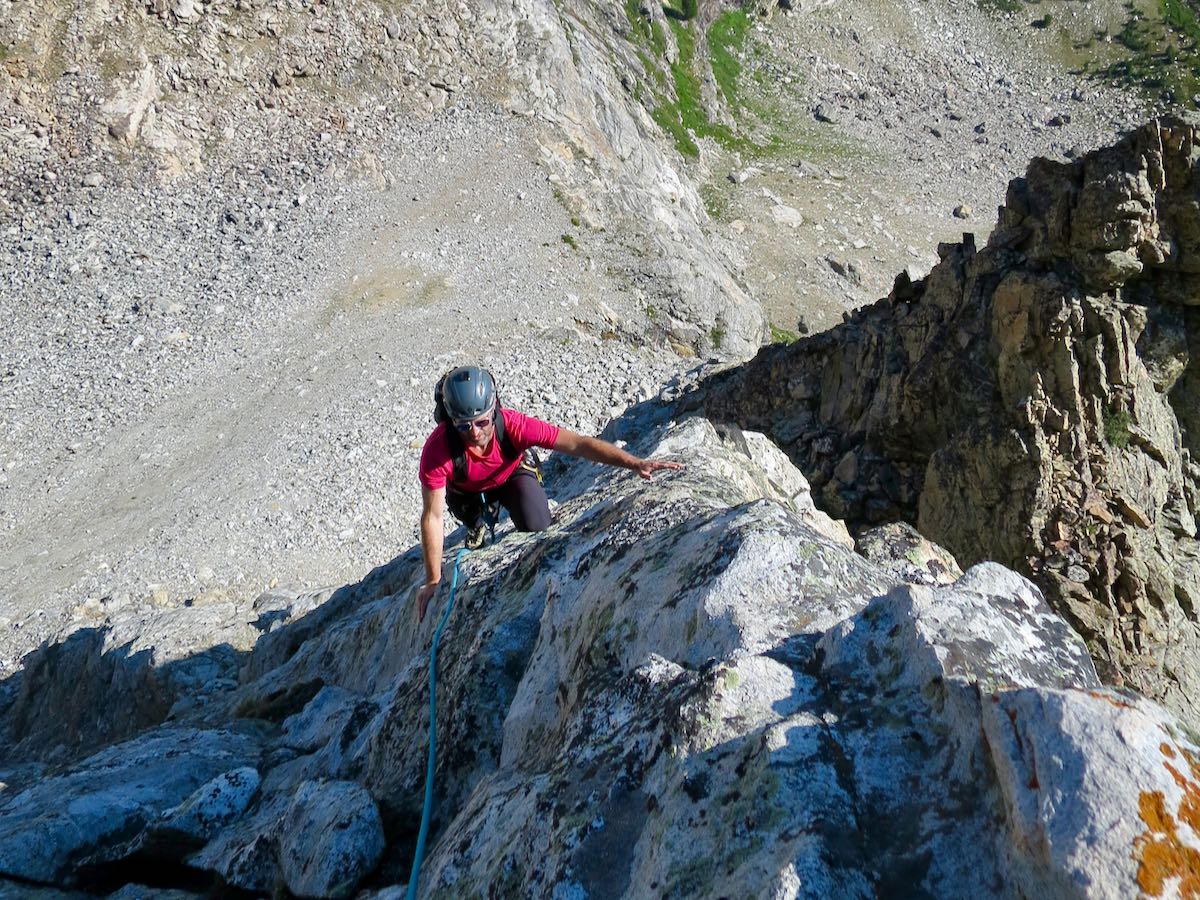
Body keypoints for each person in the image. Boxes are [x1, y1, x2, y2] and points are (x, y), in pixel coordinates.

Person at [415, 365, 682, 620]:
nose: (474, 433)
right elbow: (432, 516)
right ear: (451, 422)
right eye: (464, 426)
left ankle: (488, 522)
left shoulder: (513, 425)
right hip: (467, 492)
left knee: (538, 523)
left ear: (494, 409)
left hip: (511, 476)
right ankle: (475, 525)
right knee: (468, 512)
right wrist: (433, 580)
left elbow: (578, 445)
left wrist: (634, 463)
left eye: (482, 422)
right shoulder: (438, 450)